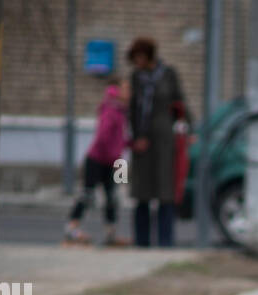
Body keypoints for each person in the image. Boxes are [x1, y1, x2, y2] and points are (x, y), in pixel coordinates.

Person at [126, 37, 188, 247]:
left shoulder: (169, 74)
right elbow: (132, 109)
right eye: (135, 59)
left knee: (165, 192)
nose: (137, 63)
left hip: (164, 140)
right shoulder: (136, 77)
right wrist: (136, 137)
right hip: (142, 142)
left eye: (140, 57)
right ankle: (141, 242)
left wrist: (189, 128)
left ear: (149, 55)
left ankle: (165, 243)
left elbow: (179, 102)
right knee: (142, 193)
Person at [65, 77, 129, 245]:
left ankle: (111, 234)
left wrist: (131, 144)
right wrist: (112, 152)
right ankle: (72, 228)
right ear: (116, 90)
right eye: (126, 89)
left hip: (115, 162)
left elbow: (118, 138)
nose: (129, 93)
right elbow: (103, 136)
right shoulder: (110, 108)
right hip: (97, 159)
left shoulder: (122, 110)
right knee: (87, 194)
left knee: (112, 197)